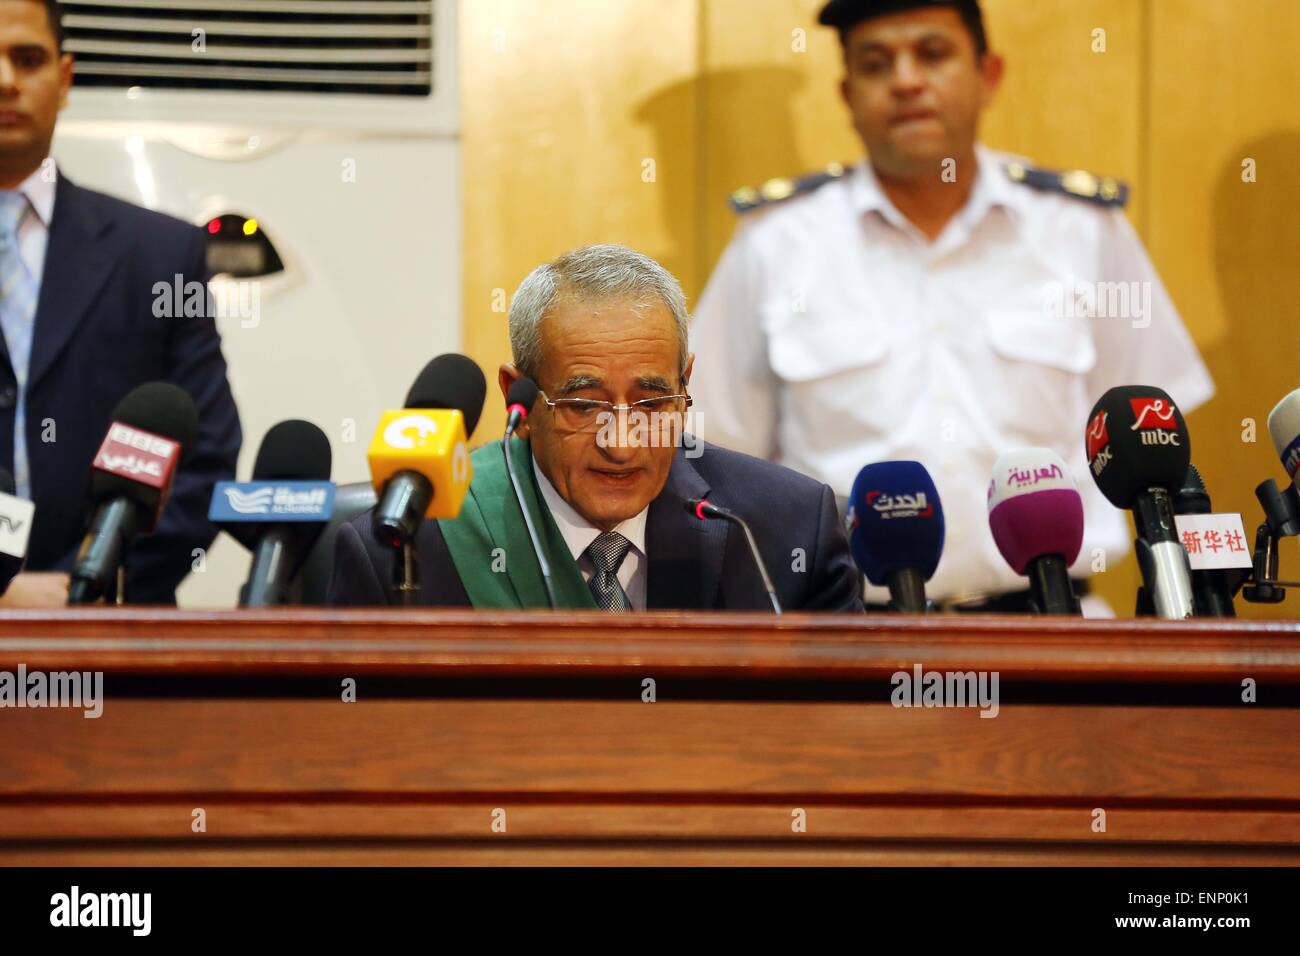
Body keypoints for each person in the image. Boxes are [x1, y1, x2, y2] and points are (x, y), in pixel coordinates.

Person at [688, 0, 1213, 611]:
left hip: (1058, 629)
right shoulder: (776, 244)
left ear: (988, 74)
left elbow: (1145, 437)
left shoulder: (1081, 230)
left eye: (933, 54)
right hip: (845, 633)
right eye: (876, 64)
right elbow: (720, 457)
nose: (907, 80)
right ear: (847, 93)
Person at [329, 244, 862, 612]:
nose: (622, 442)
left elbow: (850, 737)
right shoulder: (406, 550)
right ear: (519, 396)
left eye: (652, 403)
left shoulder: (785, 530)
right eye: (584, 405)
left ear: (686, 381)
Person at [0, 0, 240, 604]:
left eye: (27, 59)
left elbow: (205, 451)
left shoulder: (166, 253)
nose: (5, 80)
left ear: (65, 77)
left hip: (117, 631)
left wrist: (94, 585)